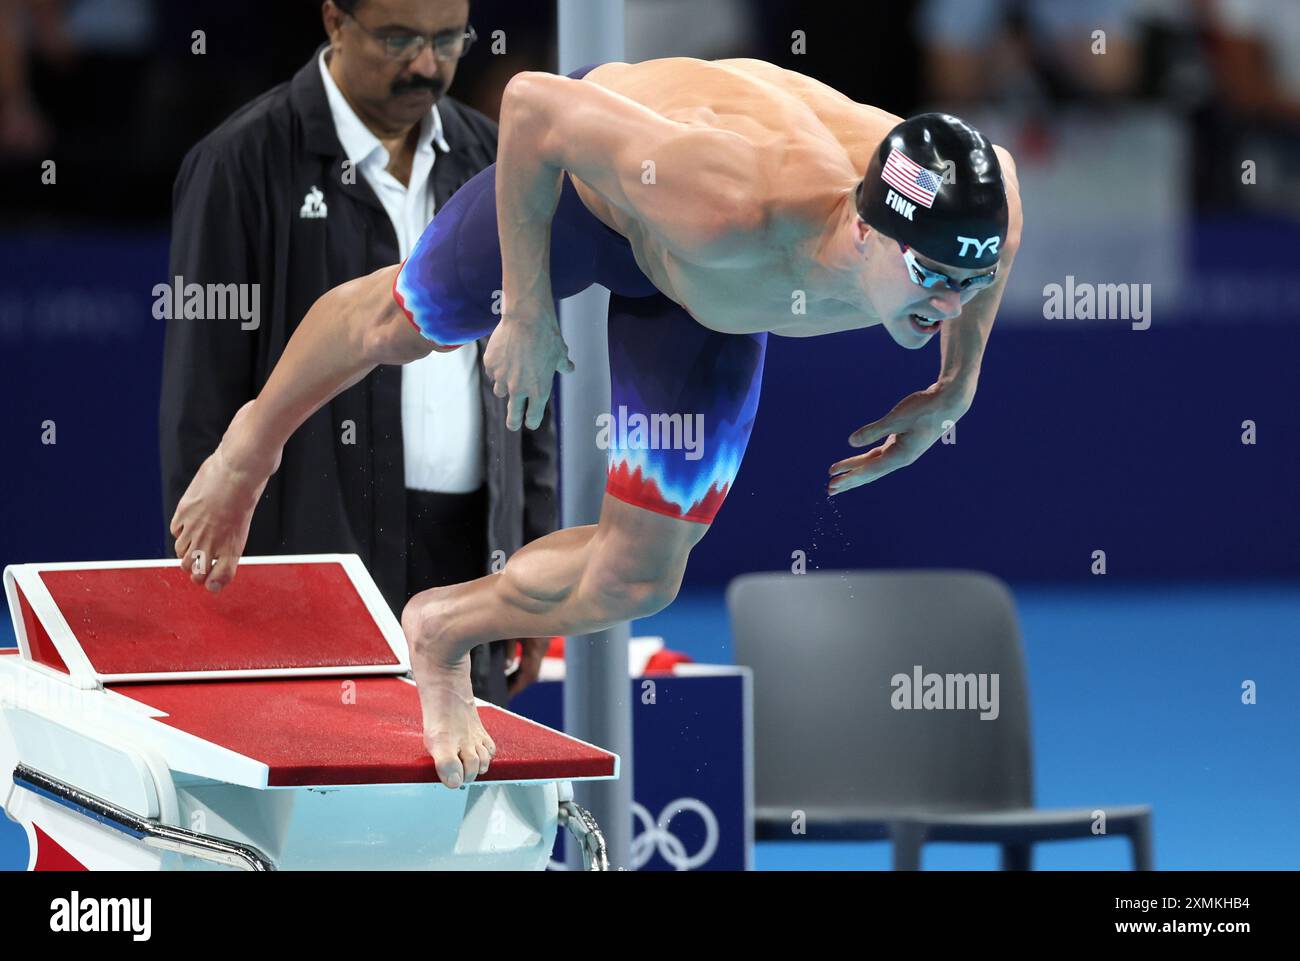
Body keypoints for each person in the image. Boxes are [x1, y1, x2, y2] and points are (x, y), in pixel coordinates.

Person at [170, 56, 1024, 789]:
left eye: (968, 282)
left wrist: (956, 386)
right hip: (590, 201)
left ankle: (438, 628)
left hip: (707, 299)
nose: (948, 301)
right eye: (932, 275)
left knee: (639, 579)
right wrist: (529, 310)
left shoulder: (982, 214)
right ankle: (252, 443)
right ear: (869, 231)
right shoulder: (731, 195)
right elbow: (533, 107)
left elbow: (1006, 197)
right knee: (399, 325)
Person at [160, 0, 557, 706]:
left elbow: (530, 378)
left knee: (461, 796)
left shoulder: (497, 159)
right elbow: (202, 396)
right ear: (335, 22)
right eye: (399, 40)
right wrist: (206, 586)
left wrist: (532, 567)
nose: (427, 66)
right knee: (326, 801)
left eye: (447, 40)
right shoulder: (239, 163)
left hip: (471, 552)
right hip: (308, 553)